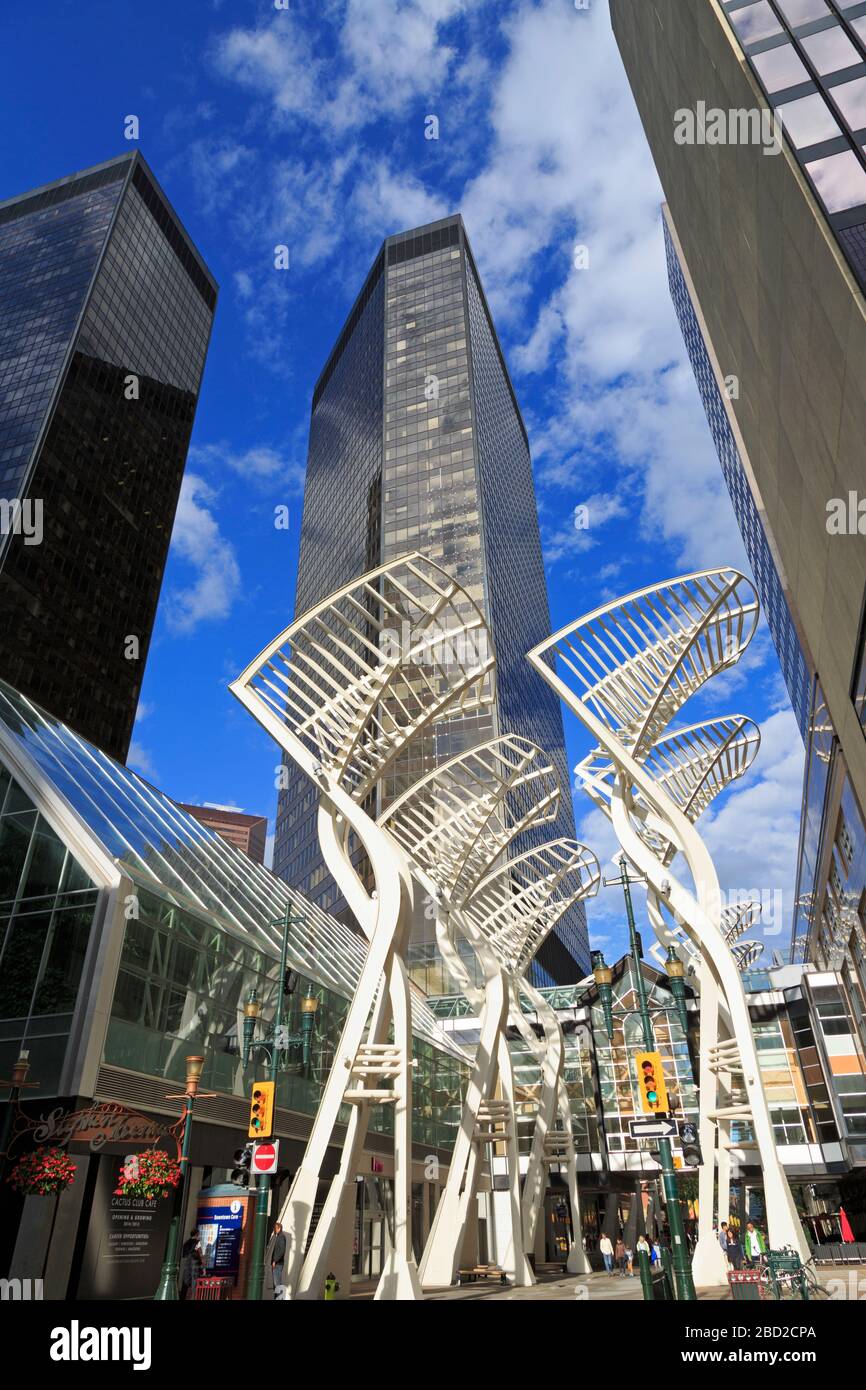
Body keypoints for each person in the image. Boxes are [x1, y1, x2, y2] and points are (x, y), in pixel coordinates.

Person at [180, 1228, 202, 1301]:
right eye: (199, 1234)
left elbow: (184, 1255)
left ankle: (182, 1298)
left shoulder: (186, 1243)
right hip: (195, 1264)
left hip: (186, 1264)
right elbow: (200, 1253)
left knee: (185, 1282)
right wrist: (203, 1265)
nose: (199, 1236)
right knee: (194, 1283)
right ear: (196, 1234)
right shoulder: (197, 1242)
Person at [270, 1221, 287, 1299]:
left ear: (279, 1228)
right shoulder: (279, 1236)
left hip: (278, 1264)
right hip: (277, 1264)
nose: (274, 1230)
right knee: (276, 1285)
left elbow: (281, 1250)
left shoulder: (281, 1237)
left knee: (278, 1285)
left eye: (275, 1228)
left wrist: (275, 1261)